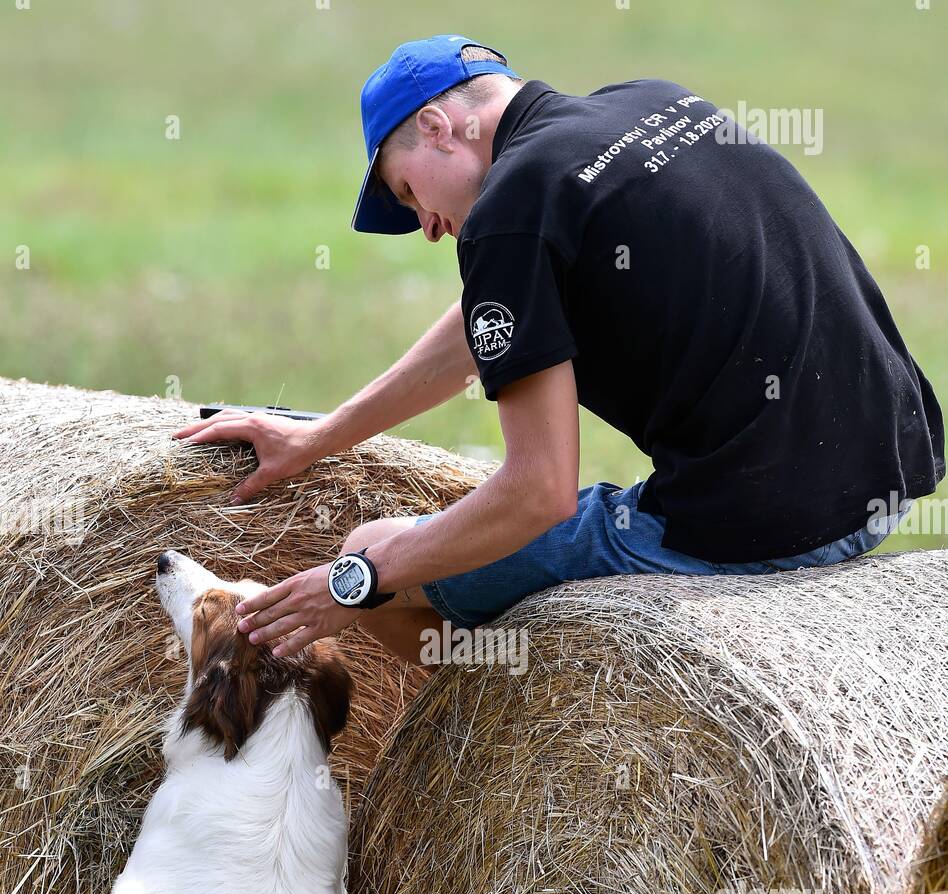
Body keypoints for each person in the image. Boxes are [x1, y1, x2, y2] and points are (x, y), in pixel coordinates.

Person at [173, 35, 944, 666]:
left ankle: (500, 747)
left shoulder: (509, 211)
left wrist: (353, 582)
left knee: (375, 543)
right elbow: (490, 321)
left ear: (438, 128)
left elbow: (537, 492)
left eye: (410, 195)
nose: (431, 227)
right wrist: (321, 436)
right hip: (891, 470)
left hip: (763, 529)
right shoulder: (651, 102)